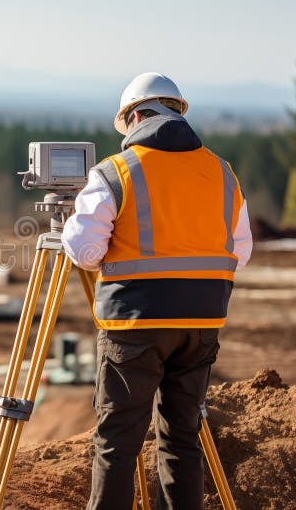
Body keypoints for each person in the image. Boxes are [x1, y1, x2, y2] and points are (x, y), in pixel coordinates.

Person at [61, 72, 253, 510]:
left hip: (135, 324)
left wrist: (74, 219)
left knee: (117, 442)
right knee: (182, 438)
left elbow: (85, 251)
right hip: (202, 325)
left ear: (133, 116)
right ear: (176, 112)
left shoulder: (115, 171)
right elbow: (240, 252)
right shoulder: (221, 172)